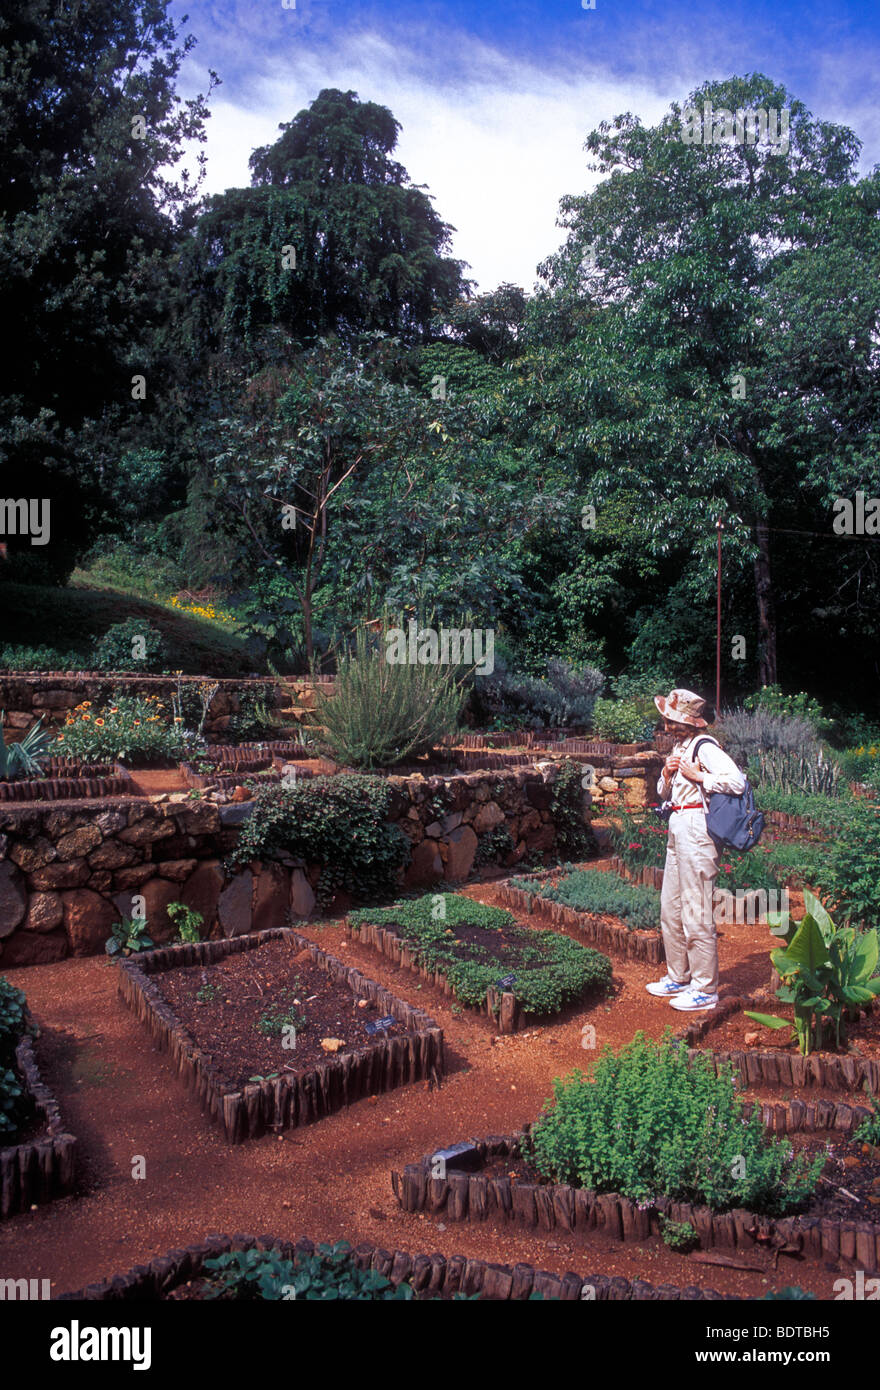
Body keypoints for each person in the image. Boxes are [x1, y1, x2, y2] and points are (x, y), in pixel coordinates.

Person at [645, 687, 745, 1012]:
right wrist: (667, 772)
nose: (664, 724)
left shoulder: (705, 747)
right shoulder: (679, 746)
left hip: (697, 830)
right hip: (677, 824)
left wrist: (698, 775)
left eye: (668, 719)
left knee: (696, 908)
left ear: (683, 721)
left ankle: (705, 989)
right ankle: (678, 976)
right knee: (670, 906)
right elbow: (663, 793)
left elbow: (737, 782)